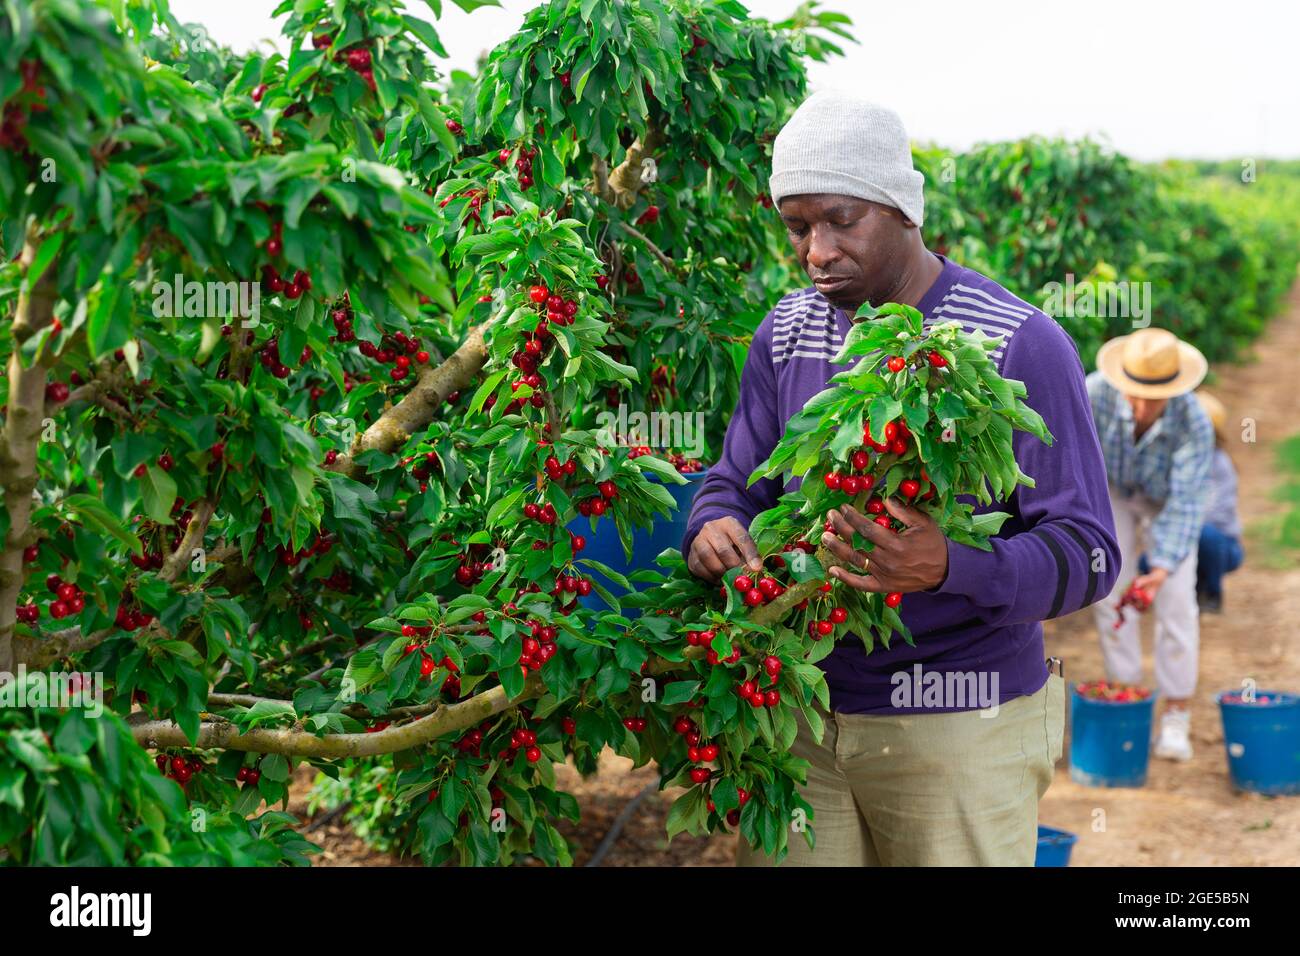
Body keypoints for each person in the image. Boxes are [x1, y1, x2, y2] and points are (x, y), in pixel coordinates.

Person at [681, 90, 1120, 866]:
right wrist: (712, 525)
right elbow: (736, 480)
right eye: (796, 226)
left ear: (902, 208)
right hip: (800, 716)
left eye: (841, 220)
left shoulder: (1015, 344)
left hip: (958, 723)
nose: (816, 250)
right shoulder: (785, 331)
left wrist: (953, 565)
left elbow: (1088, 552)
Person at [1086, 328, 1215, 761]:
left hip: (1165, 501)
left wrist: (1159, 572)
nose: (1140, 406)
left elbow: (1186, 503)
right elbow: (1077, 460)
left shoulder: (1194, 422)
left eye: (1152, 398)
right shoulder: (1093, 393)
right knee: (1110, 588)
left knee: (1177, 601)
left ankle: (1176, 712)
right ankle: (1128, 696)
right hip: (1113, 491)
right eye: (1132, 393)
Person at [1191, 390, 1244, 612]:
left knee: (1206, 535)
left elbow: (1218, 514)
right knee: (1146, 563)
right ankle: (1193, 587)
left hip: (1222, 545)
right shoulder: (1181, 459)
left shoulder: (1220, 464)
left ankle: (1212, 591)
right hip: (1188, 538)